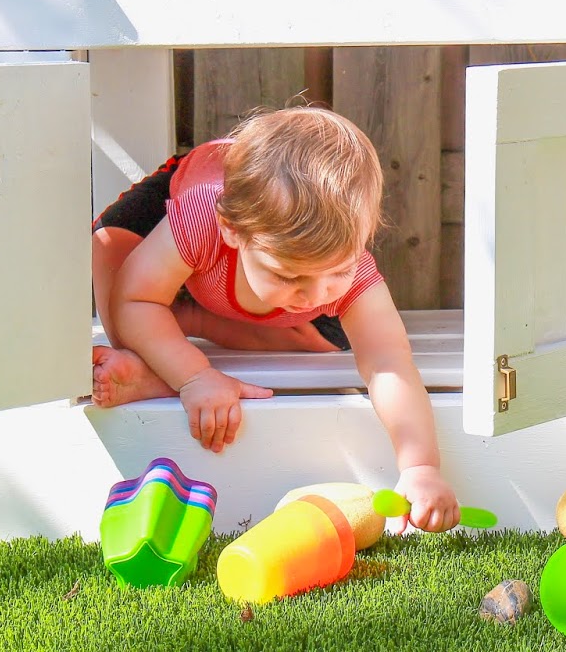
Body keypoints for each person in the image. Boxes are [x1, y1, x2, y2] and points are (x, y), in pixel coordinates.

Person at [89, 105, 460, 531]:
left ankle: (182, 324)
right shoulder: (201, 216)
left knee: (327, 338)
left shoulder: (350, 273)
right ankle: (163, 355)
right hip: (186, 215)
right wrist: (194, 377)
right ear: (232, 230)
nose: (315, 294)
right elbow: (134, 300)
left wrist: (420, 466)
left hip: (212, 292)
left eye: (337, 271)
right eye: (288, 275)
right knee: (111, 249)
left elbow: (388, 362)